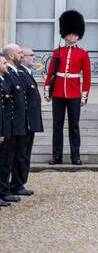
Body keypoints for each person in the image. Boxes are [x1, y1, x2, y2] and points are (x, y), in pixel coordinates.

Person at [45, 9, 91, 165]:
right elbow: (51, 72)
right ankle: (57, 156)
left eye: (74, 34)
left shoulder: (83, 54)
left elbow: (87, 77)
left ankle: (75, 156)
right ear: (64, 35)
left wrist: (84, 95)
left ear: (78, 36)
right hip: (58, 92)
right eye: (69, 34)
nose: (71, 37)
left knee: (74, 126)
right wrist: (47, 90)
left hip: (74, 93)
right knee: (57, 126)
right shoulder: (58, 52)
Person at [2, 45, 31, 196]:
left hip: (20, 123)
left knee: (18, 155)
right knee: (8, 158)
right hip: (11, 124)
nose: (22, 55)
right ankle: (5, 189)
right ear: (11, 55)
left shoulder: (18, 72)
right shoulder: (7, 74)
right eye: (19, 53)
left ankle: (15, 185)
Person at [14, 48, 43, 195]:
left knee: (25, 153)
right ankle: (17, 184)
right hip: (25, 122)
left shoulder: (27, 73)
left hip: (30, 121)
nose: (34, 57)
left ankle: (20, 183)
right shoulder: (20, 73)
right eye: (31, 55)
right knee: (21, 154)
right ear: (22, 58)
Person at [0, 51, 21, 205]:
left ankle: (3, 191)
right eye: (3, 63)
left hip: (7, 127)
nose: (6, 65)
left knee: (5, 162)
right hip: (3, 128)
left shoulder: (3, 81)